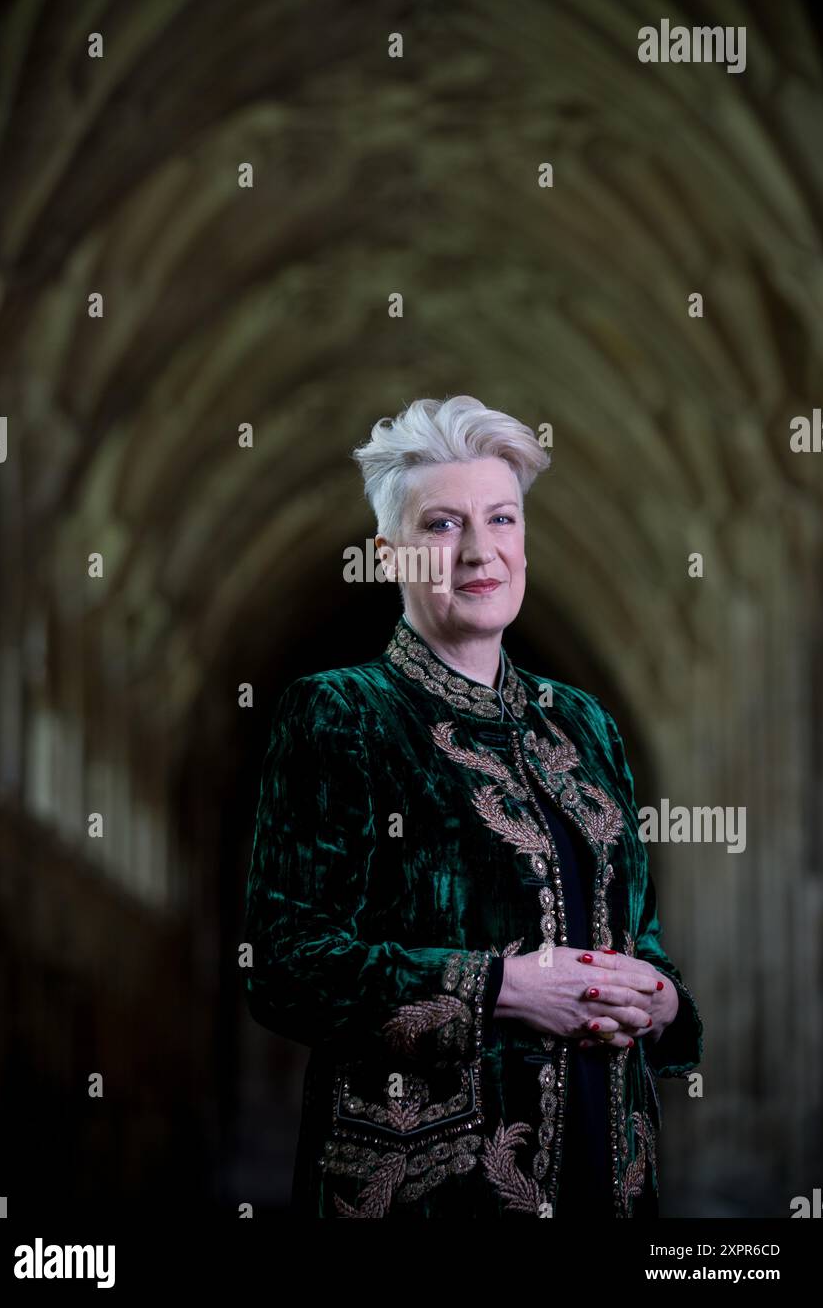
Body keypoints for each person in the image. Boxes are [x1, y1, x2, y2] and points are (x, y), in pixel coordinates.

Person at [243, 394, 703, 1218]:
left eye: (503, 518)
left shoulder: (586, 724)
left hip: (611, 1168)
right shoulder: (341, 714)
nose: (481, 552)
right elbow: (287, 968)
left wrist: (661, 998)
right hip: (427, 1187)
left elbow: (642, 932)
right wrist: (501, 988)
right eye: (443, 526)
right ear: (390, 556)